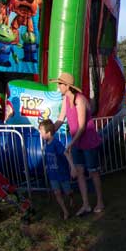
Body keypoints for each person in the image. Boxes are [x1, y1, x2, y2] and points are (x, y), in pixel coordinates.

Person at [51, 72, 104, 216]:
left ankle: (100, 202)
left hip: (88, 141)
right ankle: (86, 204)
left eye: (60, 83)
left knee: (93, 172)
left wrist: (70, 144)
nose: (58, 86)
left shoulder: (79, 100)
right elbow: (60, 119)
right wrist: (50, 131)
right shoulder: (65, 100)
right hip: (77, 142)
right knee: (80, 172)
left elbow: (81, 127)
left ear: (67, 86)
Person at [39, 119, 72, 219]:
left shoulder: (56, 143)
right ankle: (65, 211)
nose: (40, 134)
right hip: (52, 174)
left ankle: (71, 196)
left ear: (48, 133)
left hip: (62, 173)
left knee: (67, 191)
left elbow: (66, 153)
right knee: (57, 192)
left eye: (41, 132)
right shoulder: (46, 144)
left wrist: (72, 166)